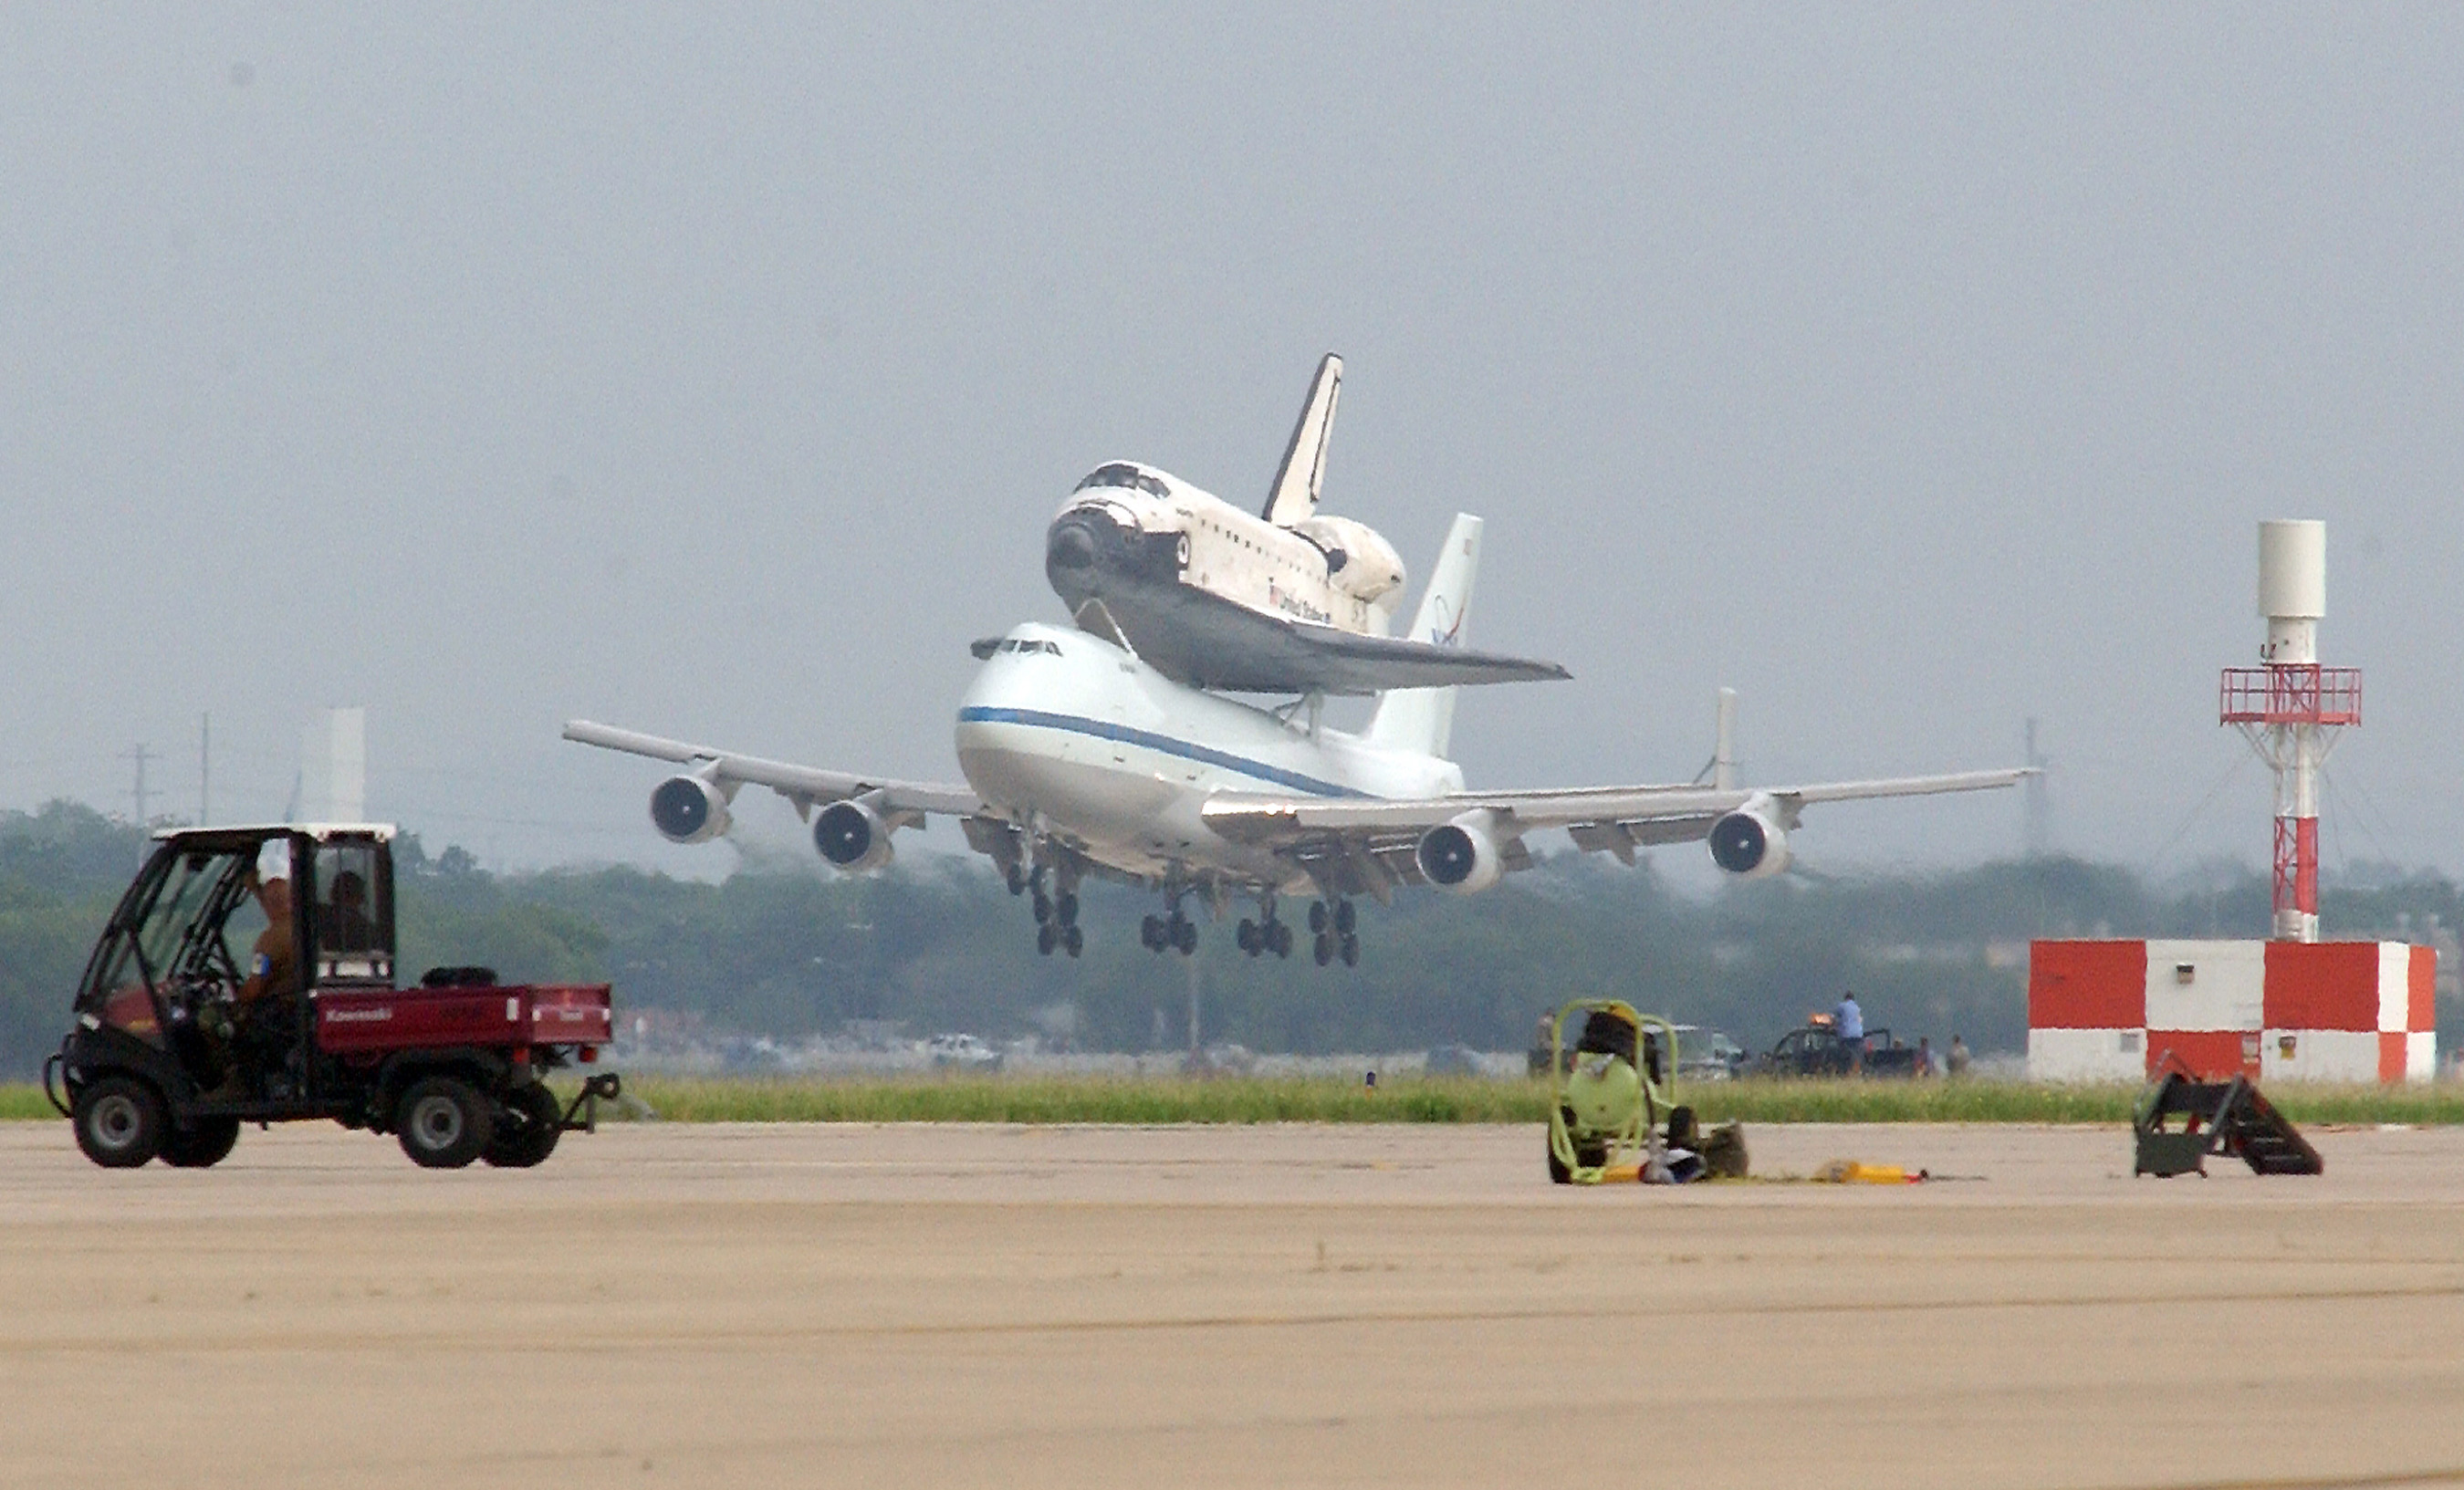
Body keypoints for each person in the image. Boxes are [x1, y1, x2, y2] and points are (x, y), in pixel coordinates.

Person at [1833, 992, 1864, 1075]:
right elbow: (1859, 1019)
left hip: (1846, 1035)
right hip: (1858, 1035)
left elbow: (1835, 1018)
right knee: (1856, 1055)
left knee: (1844, 1055)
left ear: (1845, 998)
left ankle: (1845, 1071)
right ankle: (1858, 1071)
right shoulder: (1857, 1008)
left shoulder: (1842, 1006)